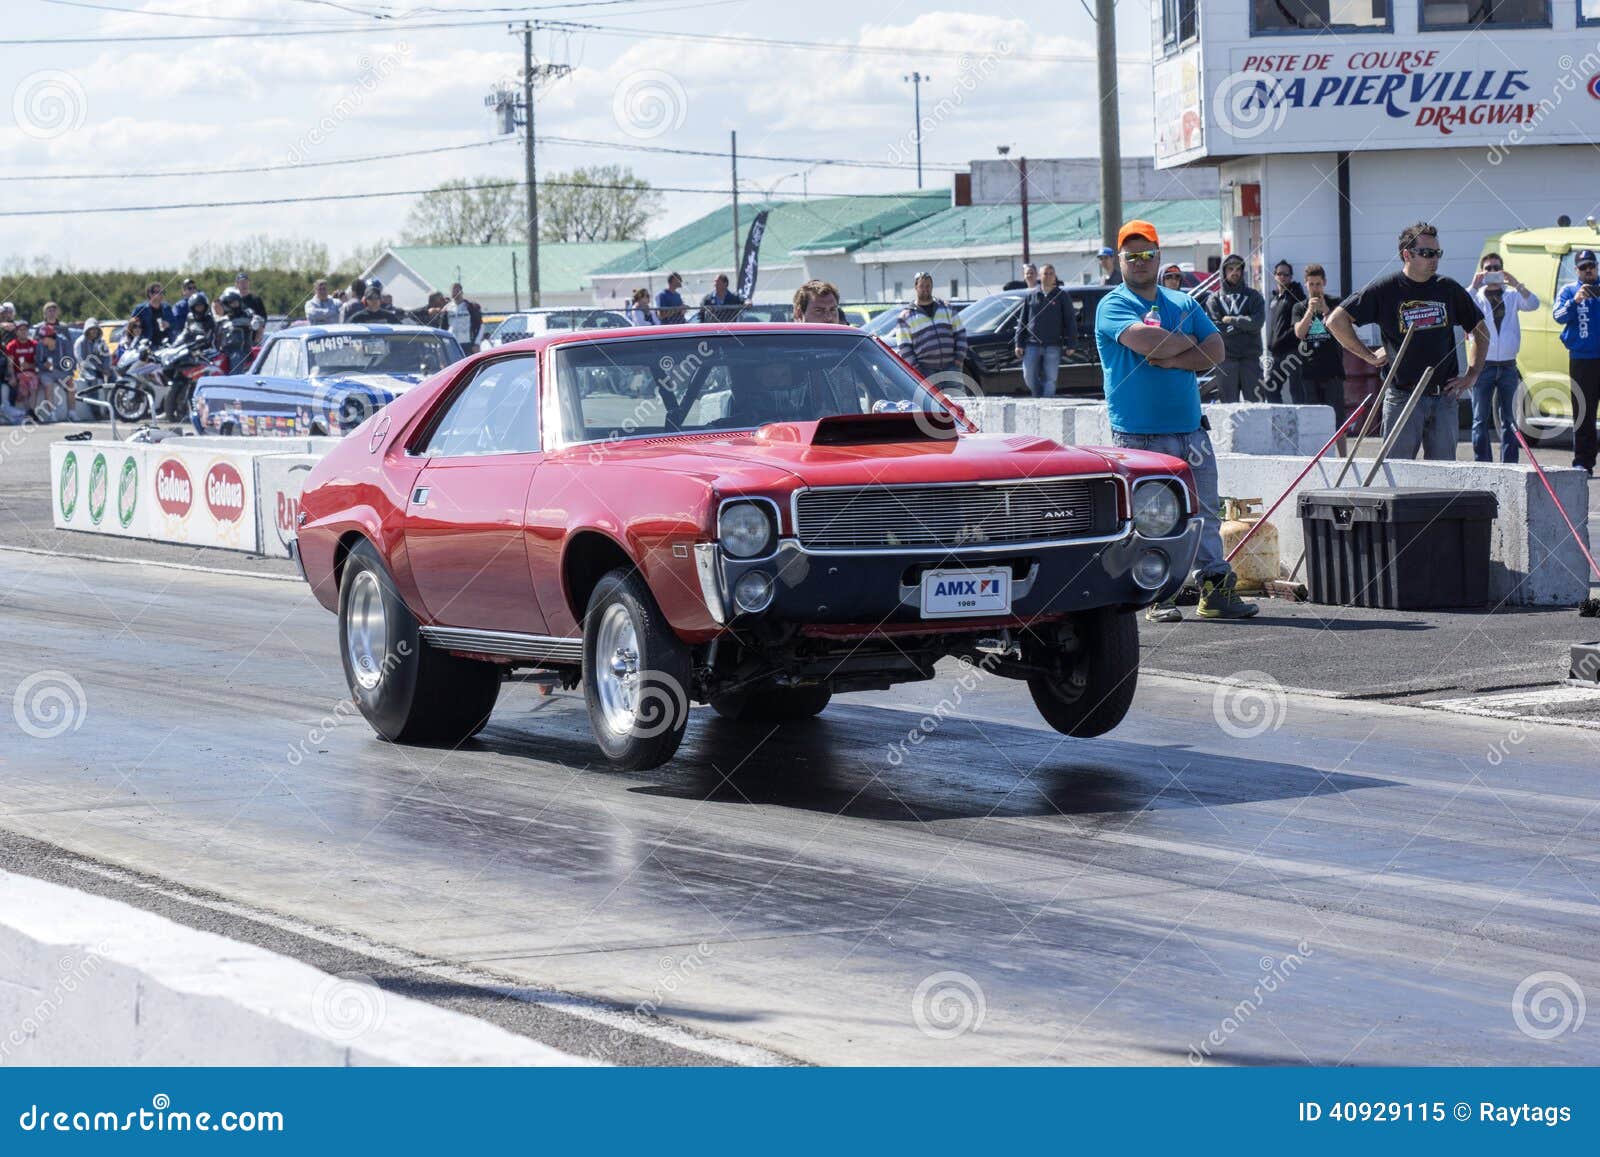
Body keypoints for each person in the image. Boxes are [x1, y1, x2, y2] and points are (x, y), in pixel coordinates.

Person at [1093, 219, 1257, 622]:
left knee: (1206, 513)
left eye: (1147, 254)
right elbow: (1147, 341)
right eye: (1132, 256)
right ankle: (1156, 596)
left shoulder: (1182, 302)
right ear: (1119, 260)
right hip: (1139, 433)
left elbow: (1216, 349)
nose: (1140, 262)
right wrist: (1184, 346)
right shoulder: (1112, 305)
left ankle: (1215, 590)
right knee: (1150, 516)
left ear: (1159, 256)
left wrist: (1168, 356)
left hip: (1190, 429)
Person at [1327, 221, 1487, 461]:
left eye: (1437, 253)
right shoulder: (1385, 289)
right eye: (1427, 253)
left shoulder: (1448, 289)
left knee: (1443, 477)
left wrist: (1472, 373)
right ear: (1407, 255)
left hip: (1444, 396)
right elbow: (1336, 321)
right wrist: (1367, 356)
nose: (1435, 259)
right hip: (1403, 396)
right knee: (1398, 473)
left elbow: (1481, 331)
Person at [1467, 252, 1539, 464]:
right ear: (1481, 271)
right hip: (1482, 365)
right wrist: (1474, 284)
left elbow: (1533, 303)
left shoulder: (1512, 295)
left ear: (1502, 270)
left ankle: (1509, 465)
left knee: (1510, 420)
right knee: (1480, 419)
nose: (1491, 272)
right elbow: (1459, 304)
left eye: (1496, 268)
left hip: (1508, 365)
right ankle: (1483, 464)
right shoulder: (1475, 296)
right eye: (1487, 268)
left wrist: (1517, 284)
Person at [1552, 247, 1600, 476]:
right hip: (1582, 360)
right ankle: (1583, 461)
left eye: (1591, 266)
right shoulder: (1569, 290)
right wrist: (1575, 300)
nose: (1588, 271)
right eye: (1583, 267)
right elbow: (1558, 316)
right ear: (1576, 270)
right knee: (1584, 412)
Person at [1288, 264, 1347, 437]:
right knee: (1313, 421)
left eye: (1318, 284)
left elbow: (1343, 329)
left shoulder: (1336, 303)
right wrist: (1310, 311)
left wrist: (1327, 311)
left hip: (1333, 370)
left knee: (1338, 421)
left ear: (1325, 283)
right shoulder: (1299, 307)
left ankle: (1342, 458)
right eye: (1311, 284)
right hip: (1309, 372)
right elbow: (1299, 333)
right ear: (1306, 284)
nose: (1315, 288)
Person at [1205, 255, 1266, 403]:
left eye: (1238, 269)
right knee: (1228, 408)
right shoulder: (1214, 299)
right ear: (1223, 272)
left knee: (1256, 407)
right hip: (1225, 359)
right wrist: (1245, 325)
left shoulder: (1254, 296)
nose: (1235, 272)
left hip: (1250, 358)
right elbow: (1216, 328)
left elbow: (1257, 323)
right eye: (1230, 269)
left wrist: (1232, 320)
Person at [1013, 263, 1077, 398]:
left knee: (1051, 378)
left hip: (1053, 344)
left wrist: (1071, 344)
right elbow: (1022, 321)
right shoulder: (1032, 296)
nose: (1048, 276)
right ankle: (1037, 398)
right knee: (1028, 375)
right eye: (1045, 274)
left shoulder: (1062, 296)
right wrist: (1019, 343)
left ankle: (1047, 403)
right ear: (1039, 276)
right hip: (1032, 345)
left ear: (1055, 276)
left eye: (1051, 274)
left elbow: (1070, 321)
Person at [892, 272, 967, 381]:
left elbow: (960, 334)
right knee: (929, 399)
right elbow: (904, 347)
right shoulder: (906, 316)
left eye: (928, 286)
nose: (925, 289)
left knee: (956, 398)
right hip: (925, 372)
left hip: (951, 368)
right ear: (916, 287)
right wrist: (916, 369)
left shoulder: (947, 308)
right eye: (922, 286)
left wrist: (958, 359)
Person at [1265, 260, 1305, 401]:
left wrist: (1283, 339)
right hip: (1277, 353)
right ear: (1275, 276)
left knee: (1297, 390)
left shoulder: (1297, 296)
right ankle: (1279, 421)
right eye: (1279, 274)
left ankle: (1302, 422)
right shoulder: (1274, 298)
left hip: (1293, 351)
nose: (1282, 277)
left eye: (1286, 274)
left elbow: (1300, 324)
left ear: (1291, 277)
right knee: (1270, 388)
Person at [214, 288, 259, 374]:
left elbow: (257, 321)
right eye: (231, 303)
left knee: (236, 356)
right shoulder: (222, 321)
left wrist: (254, 322)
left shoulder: (247, 315)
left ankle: (235, 381)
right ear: (225, 304)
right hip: (224, 352)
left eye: (236, 302)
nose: (234, 304)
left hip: (241, 351)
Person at [131, 282, 175, 347]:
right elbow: (130, 325)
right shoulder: (141, 309)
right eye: (157, 292)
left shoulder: (167, 308)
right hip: (147, 345)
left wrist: (168, 324)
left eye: (162, 292)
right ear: (150, 294)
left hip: (166, 343)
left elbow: (175, 324)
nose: (161, 294)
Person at [446, 282, 483, 351]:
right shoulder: (447, 308)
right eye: (453, 291)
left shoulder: (470, 307)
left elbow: (480, 326)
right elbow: (443, 327)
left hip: (467, 343)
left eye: (457, 291)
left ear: (461, 292)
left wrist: (476, 343)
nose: (455, 293)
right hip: (452, 342)